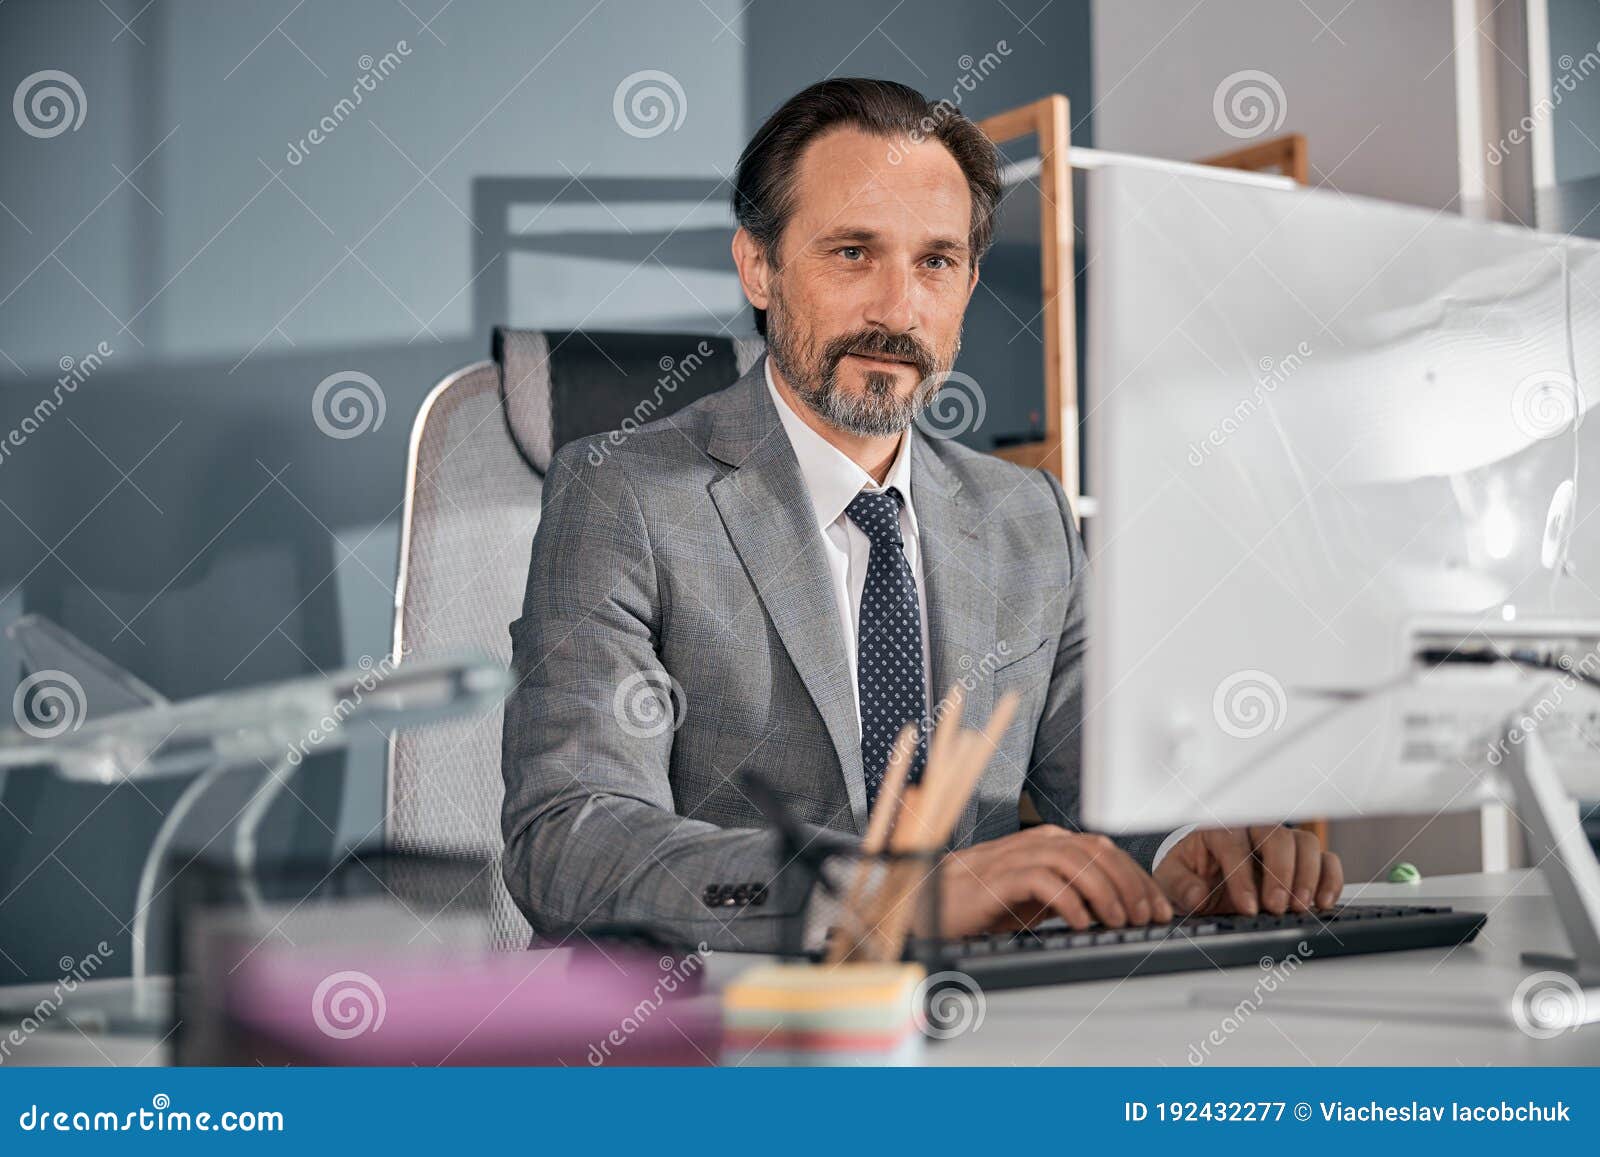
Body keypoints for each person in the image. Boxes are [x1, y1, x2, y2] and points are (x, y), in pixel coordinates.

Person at [501, 77, 1342, 952]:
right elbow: (569, 840)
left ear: (969, 281)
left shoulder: (1027, 516)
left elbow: (1108, 780)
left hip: (981, 1013)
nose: (898, 311)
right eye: (852, 252)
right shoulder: (622, 495)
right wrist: (881, 895)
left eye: (935, 262)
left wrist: (1187, 844)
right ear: (759, 266)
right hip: (727, 1015)